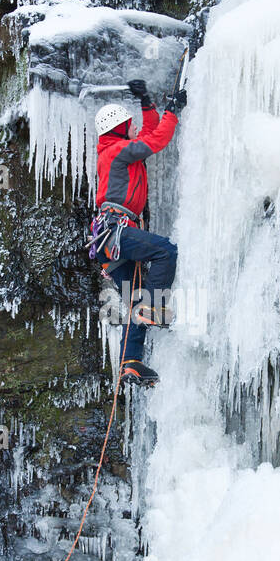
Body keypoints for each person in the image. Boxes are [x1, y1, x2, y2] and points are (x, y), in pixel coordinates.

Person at [90, 79, 187, 387]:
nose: (135, 129)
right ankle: (155, 306)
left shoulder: (118, 149)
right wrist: (173, 111)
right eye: (130, 124)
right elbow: (156, 140)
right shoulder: (117, 151)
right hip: (117, 232)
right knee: (165, 251)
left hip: (112, 243)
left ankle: (130, 363)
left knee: (135, 303)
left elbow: (148, 134)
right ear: (119, 129)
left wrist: (147, 102)